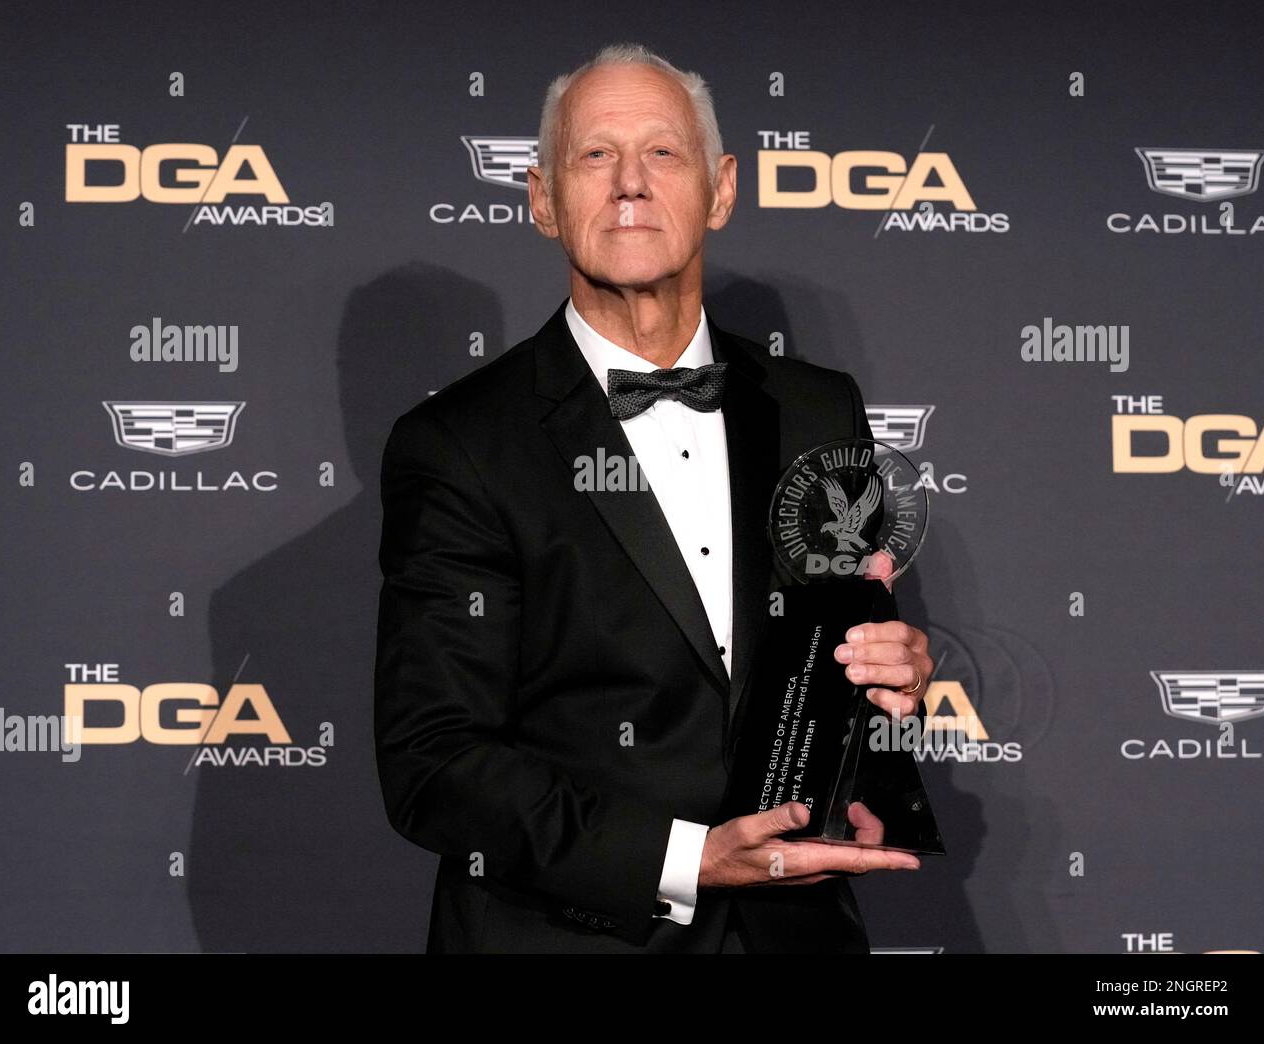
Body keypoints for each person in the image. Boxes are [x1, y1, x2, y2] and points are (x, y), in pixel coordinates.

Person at [374, 41, 934, 954]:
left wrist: (893, 680)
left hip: (796, 936)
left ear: (720, 189)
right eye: (595, 155)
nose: (630, 182)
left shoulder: (816, 405)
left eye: (663, 153)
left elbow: (842, 701)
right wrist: (687, 859)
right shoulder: (460, 445)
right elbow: (435, 762)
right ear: (542, 198)